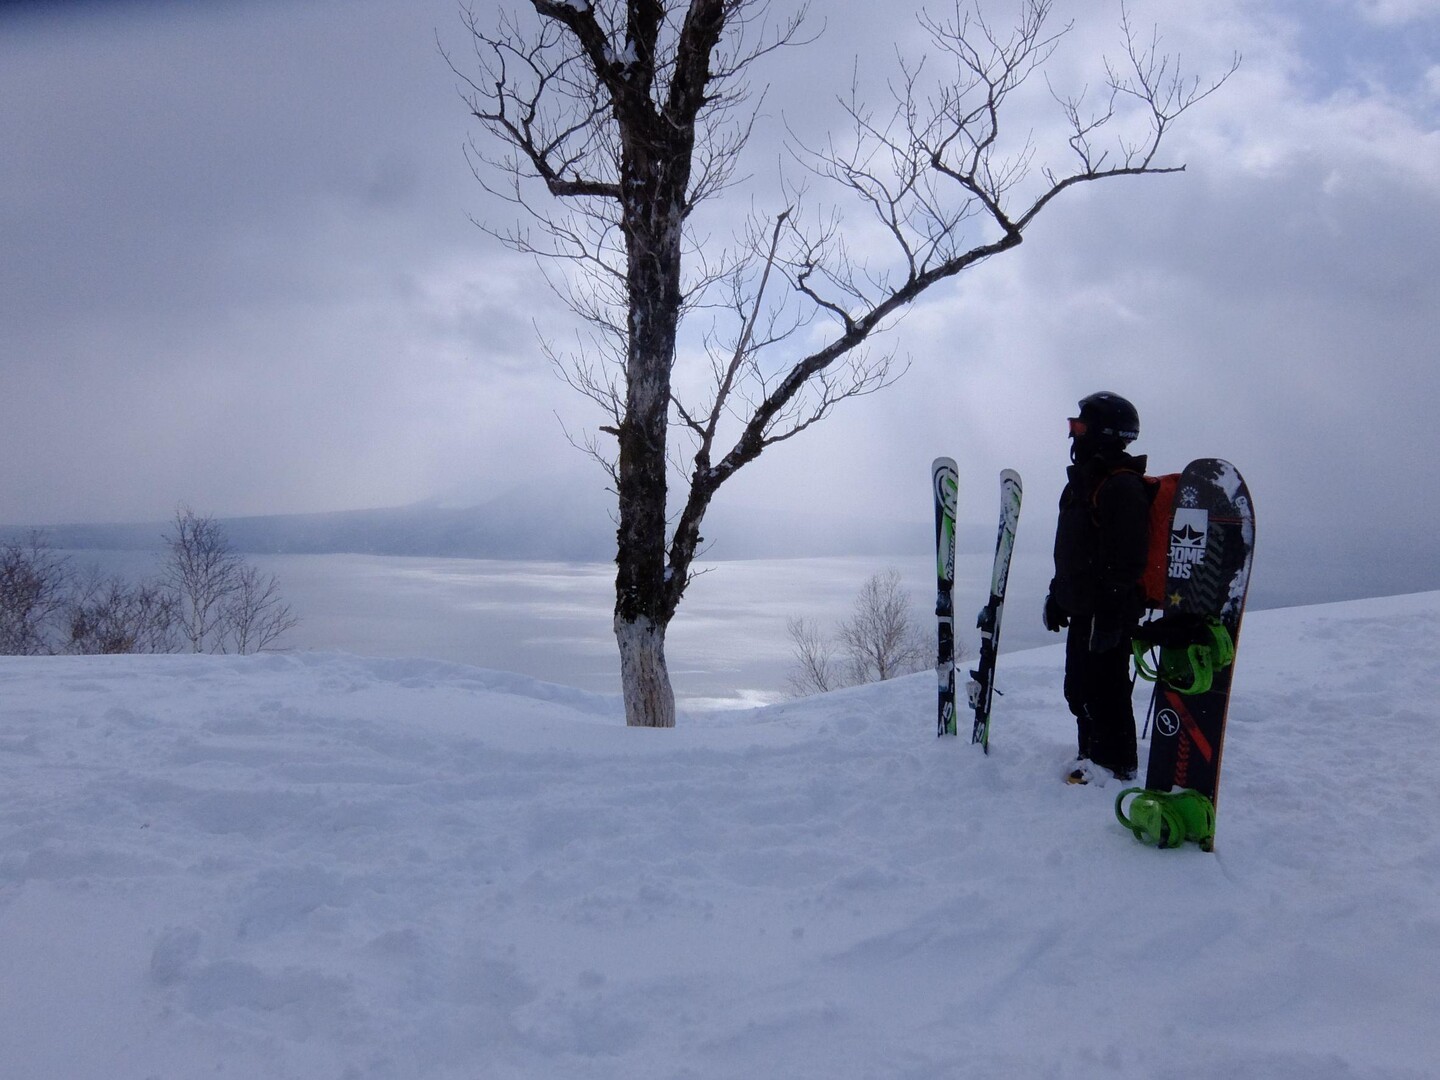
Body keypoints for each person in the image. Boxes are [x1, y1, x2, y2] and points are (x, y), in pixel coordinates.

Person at [1043, 391, 1150, 784]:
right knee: (1080, 690)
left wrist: (1110, 613)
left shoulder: (1122, 487)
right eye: (1073, 426)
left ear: (1105, 433)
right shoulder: (1083, 484)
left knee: (1106, 690)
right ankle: (1091, 756)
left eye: (1081, 426)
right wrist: (1057, 596)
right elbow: (1072, 550)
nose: (1073, 435)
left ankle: (1115, 766)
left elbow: (1126, 559)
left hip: (1108, 609)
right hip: (1085, 607)